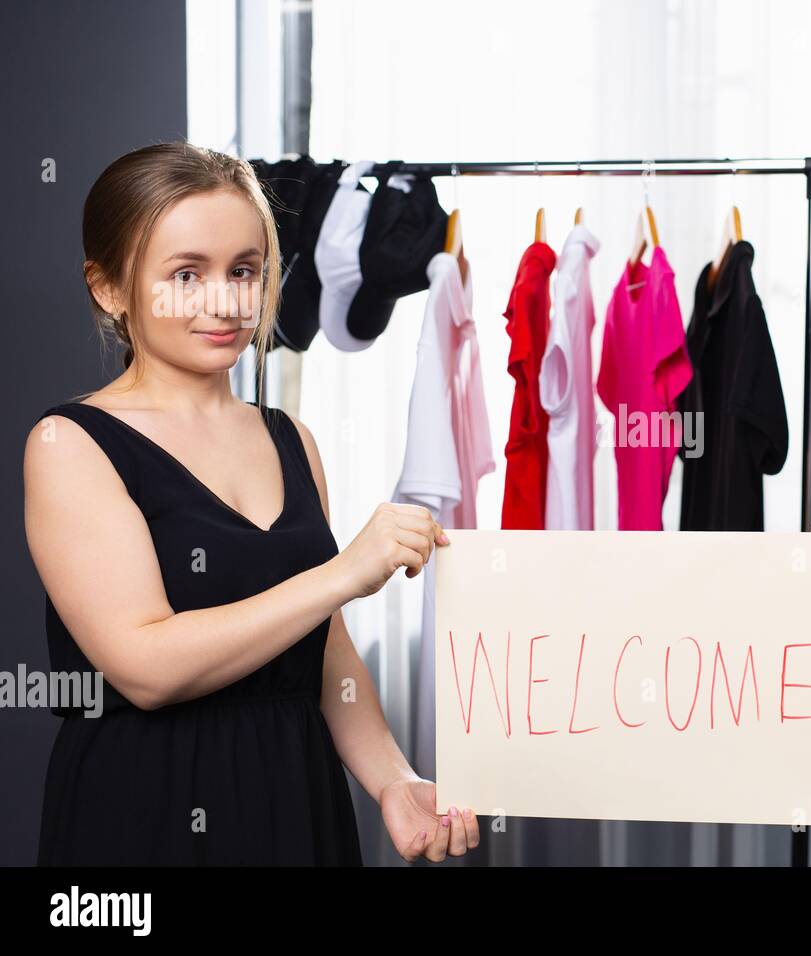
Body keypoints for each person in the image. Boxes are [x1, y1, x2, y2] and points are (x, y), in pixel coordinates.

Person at [23, 141, 477, 865]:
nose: (227, 300)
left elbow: (321, 644)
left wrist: (392, 779)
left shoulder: (290, 439)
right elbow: (145, 666)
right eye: (186, 274)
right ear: (109, 288)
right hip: (147, 810)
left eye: (244, 271)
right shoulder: (69, 444)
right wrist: (343, 574)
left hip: (297, 797)